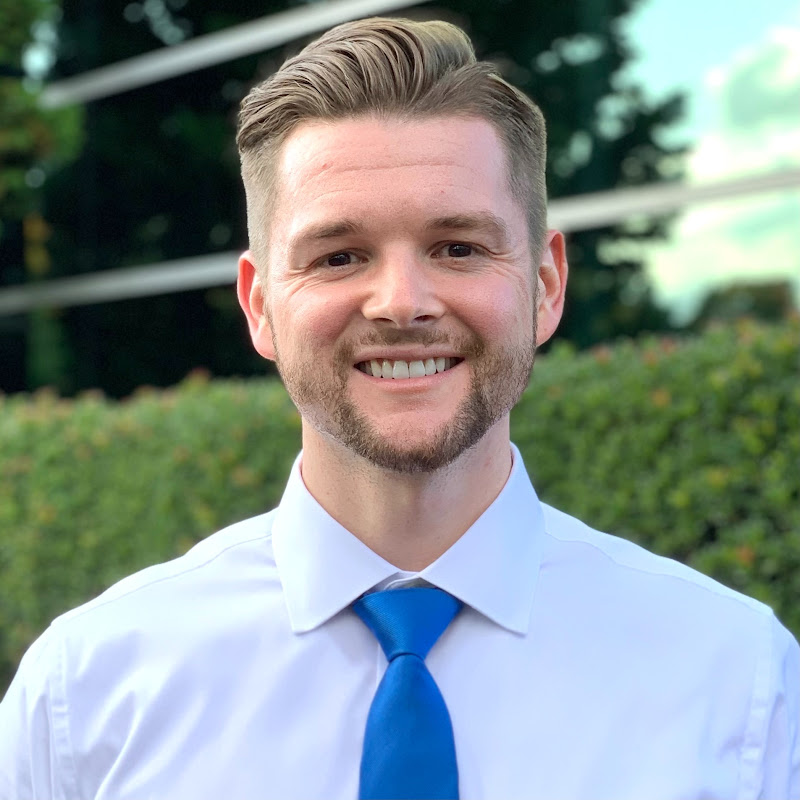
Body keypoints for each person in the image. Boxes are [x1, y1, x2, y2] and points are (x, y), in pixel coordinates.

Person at [1, 15, 798, 800]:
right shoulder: (84, 697)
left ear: (547, 286)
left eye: (458, 248)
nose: (401, 302)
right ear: (259, 306)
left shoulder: (740, 684)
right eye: (339, 256)